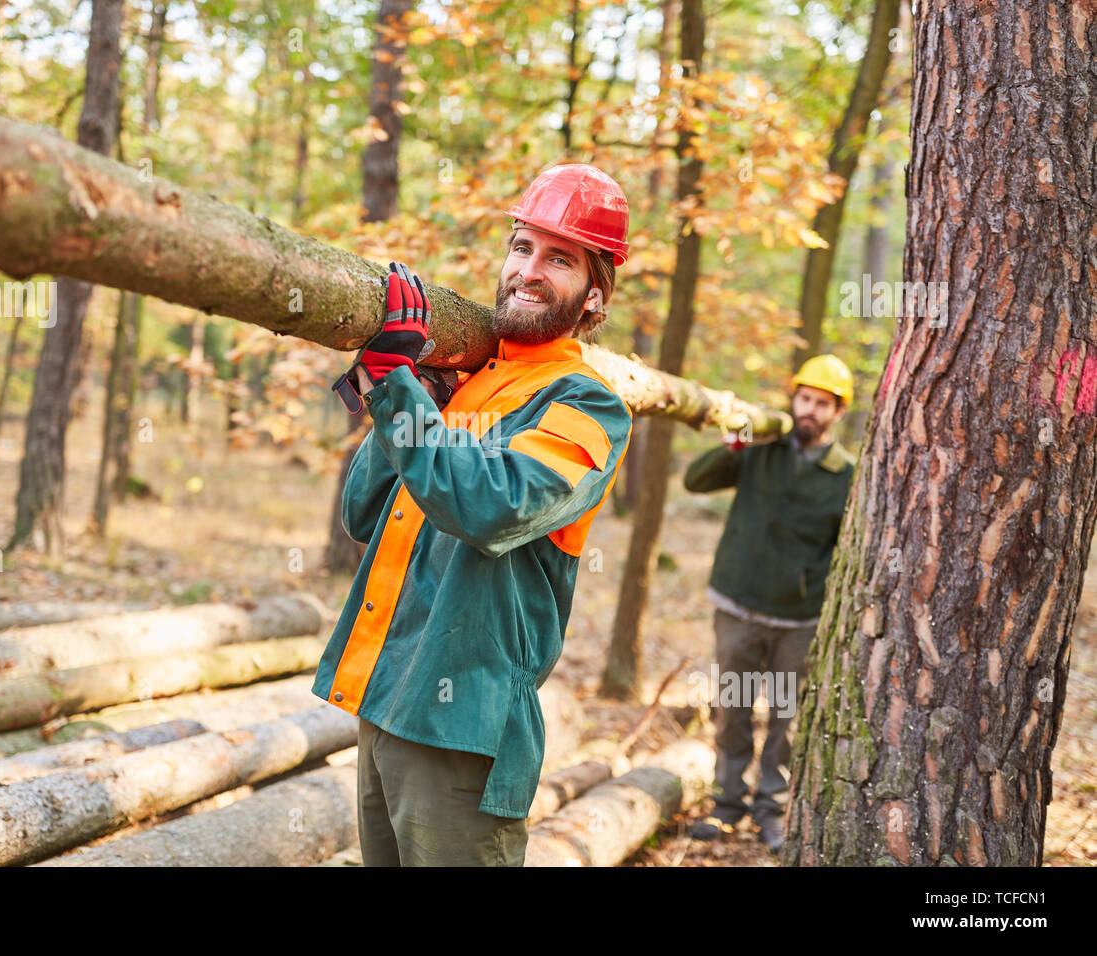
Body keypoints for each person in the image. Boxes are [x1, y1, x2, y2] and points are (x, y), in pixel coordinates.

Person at [316, 164, 634, 866]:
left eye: (560, 258)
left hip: (463, 730)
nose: (530, 270)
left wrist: (399, 392)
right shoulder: (471, 380)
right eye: (522, 247)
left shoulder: (585, 406)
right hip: (385, 702)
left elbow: (490, 506)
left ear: (593, 296)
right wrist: (409, 385)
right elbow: (364, 513)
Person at [682, 354, 856, 853]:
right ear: (793, 399)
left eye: (822, 404)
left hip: (799, 619)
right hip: (738, 603)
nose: (810, 410)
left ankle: (771, 812)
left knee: (785, 717)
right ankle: (727, 805)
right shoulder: (761, 447)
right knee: (732, 708)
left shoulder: (845, 474)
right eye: (804, 398)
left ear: (837, 413)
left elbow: (846, 551)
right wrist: (731, 445)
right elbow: (695, 481)